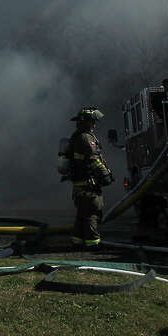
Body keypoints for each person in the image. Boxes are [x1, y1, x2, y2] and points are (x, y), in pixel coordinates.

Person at [62, 107, 113, 251]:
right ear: (85, 122)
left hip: (81, 183)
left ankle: (77, 240)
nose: (94, 125)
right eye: (92, 122)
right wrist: (105, 174)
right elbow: (93, 159)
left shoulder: (77, 137)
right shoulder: (85, 137)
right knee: (92, 212)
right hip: (88, 183)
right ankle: (93, 242)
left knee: (82, 213)